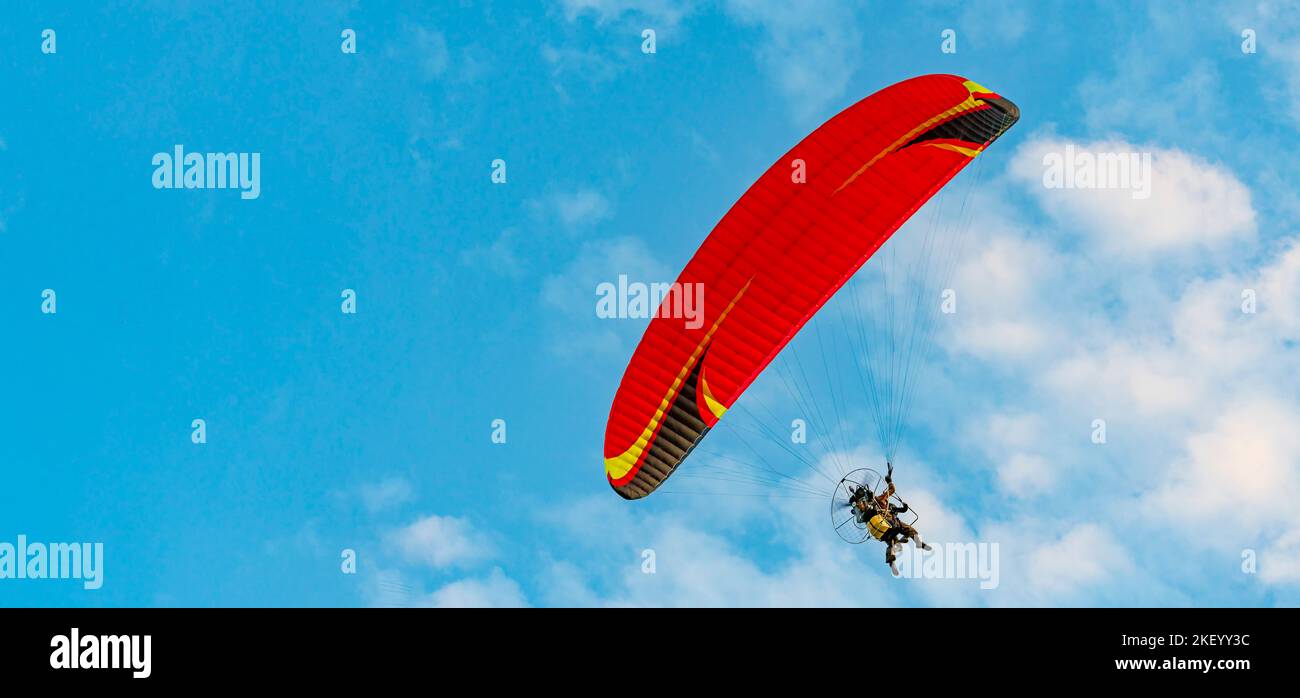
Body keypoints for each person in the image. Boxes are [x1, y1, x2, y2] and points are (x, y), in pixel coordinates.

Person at [848, 463, 931, 576]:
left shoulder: (878, 507)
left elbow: (897, 508)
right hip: (890, 524)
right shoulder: (878, 500)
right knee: (908, 530)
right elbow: (891, 490)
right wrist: (889, 481)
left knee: (893, 545)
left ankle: (892, 563)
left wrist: (904, 508)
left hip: (883, 531)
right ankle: (917, 543)